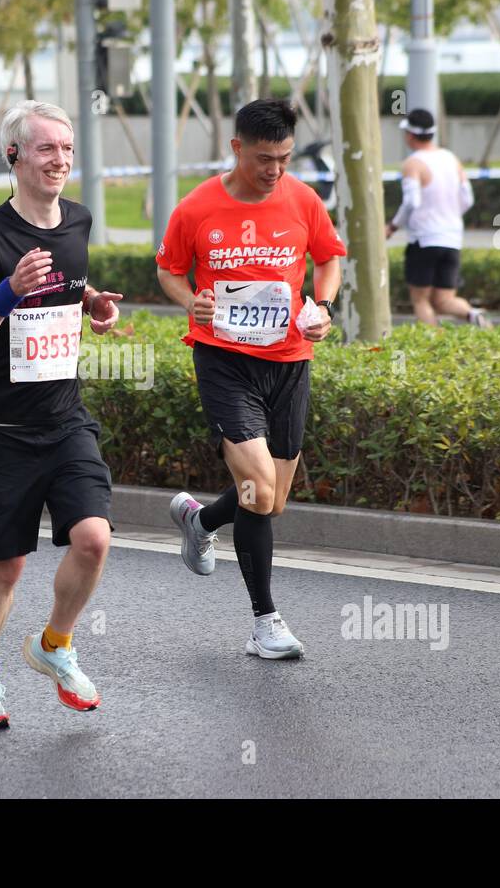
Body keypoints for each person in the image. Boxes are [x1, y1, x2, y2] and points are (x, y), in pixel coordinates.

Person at [0, 100, 124, 728]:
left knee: (94, 538)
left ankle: (55, 646)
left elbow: (67, 288)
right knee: (8, 567)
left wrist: (92, 303)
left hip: (64, 420)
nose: (60, 160)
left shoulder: (77, 222)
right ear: (15, 156)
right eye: (47, 149)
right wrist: (8, 291)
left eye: (68, 149)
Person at [156, 98, 345, 660]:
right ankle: (266, 623)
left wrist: (325, 306)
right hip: (224, 361)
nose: (275, 171)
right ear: (236, 148)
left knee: (271, 499)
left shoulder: (303, 199)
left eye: (285, 158)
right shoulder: (197, 207)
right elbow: (168, 269)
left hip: (289, 361)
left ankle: (199, 518)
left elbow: (329, 257)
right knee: (259, 490)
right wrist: (194, 303)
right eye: (265, 159)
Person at [385, 108, 489, 328]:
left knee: (420, 300)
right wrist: (448, 216)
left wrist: (392, 226)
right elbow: (467, 199)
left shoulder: (412, 164)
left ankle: (433, 346)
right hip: (451, 238)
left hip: (424, 239)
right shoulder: (451, 158)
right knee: (444, 300)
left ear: (410, 135)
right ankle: (473, 315)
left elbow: (412, 202)